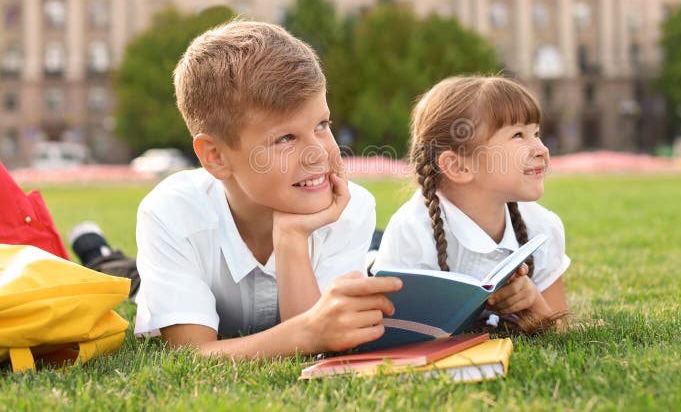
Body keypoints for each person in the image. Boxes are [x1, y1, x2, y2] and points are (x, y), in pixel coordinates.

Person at [134, 21, 401, 359]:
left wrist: (291, 237)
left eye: (322, 125)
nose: (319, 152)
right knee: (124, 275)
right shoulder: (171, 212)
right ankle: (95, 247)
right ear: (215, 157)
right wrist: (307, 332)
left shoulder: (352, 206)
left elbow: (325, 343)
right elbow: (192, 354)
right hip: (154, 273)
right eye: (285, 138)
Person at [372, 76, 570, 332]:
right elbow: (397, 333)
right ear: (458, 166)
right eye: (518, 135)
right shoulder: (411, 233)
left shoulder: (543, 227)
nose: (541, 149)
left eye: (537, 133)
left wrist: (532, 301)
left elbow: (561, 329)